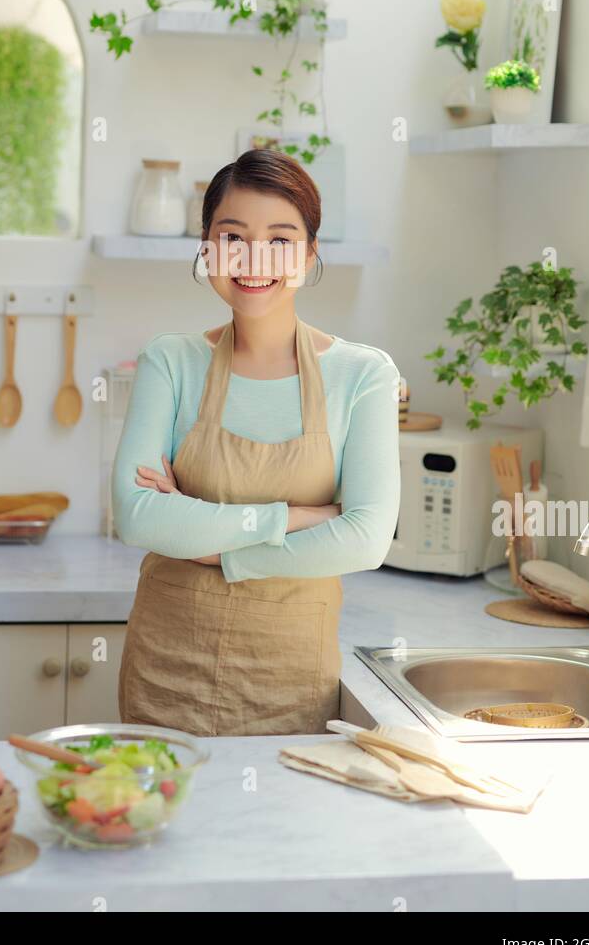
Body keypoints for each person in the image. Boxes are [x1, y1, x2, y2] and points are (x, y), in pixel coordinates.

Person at [113, 148, 401, 736]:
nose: (253, 258)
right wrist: (301, 516)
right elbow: (138, 516)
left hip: (288, 677)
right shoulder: (170, 362)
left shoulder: (363, 375)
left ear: (310, 253)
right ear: (206, 248)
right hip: (166, 669)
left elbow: (367, 538)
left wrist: (213, 548)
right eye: (233, 235)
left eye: (280, 238)